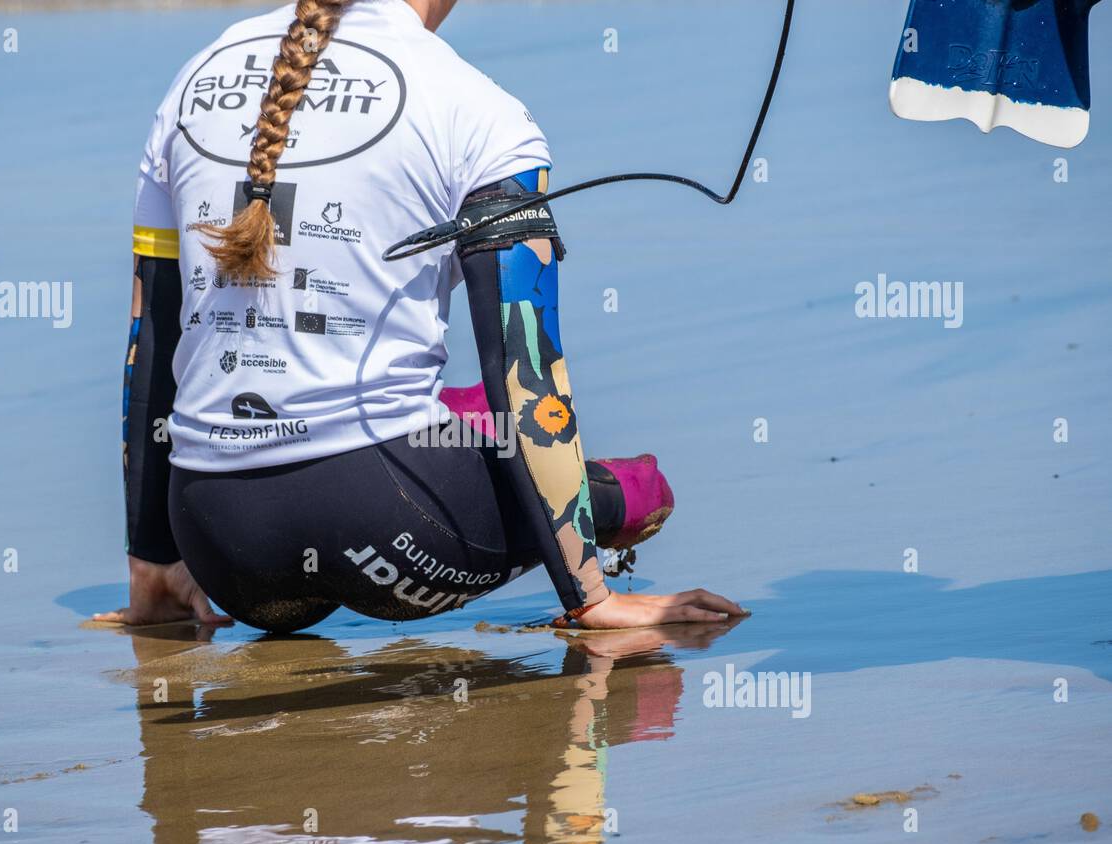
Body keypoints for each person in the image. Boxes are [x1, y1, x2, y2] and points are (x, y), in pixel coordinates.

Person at [97, 0, 748, 633]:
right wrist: (590, 595)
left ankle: (164, 572)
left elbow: (151, 334)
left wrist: (154, 565)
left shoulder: (195, 78)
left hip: (223, 544)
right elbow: (522, 367)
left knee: (462, 411)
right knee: (636, 485)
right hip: (391, 527)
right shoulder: (481, 109)